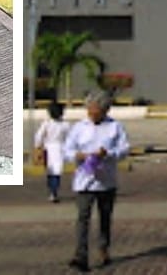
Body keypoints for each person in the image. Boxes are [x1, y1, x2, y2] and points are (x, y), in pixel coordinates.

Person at [63, 90, 131, 272]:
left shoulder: (115, 127)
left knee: (105, 217)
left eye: (95, 111)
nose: (91, 114)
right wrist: (78, 155)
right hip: (84, 180)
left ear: (105, 110)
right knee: (82, 218)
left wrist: (108, 154)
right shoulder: (79, 127)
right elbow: (67, 150)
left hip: (106, 181)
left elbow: (124, 150)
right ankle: (81, 255)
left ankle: (103, 247)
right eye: (89, 110)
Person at [34, 101, 70, 203]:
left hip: (48, 149)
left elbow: (39, 136)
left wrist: (38, 147)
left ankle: (52, 191)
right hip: (59, 149)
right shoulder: (65, 125)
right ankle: (54, 191)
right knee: (56, 172)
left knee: (51, 172)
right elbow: (69, 138)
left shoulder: (47, 123)